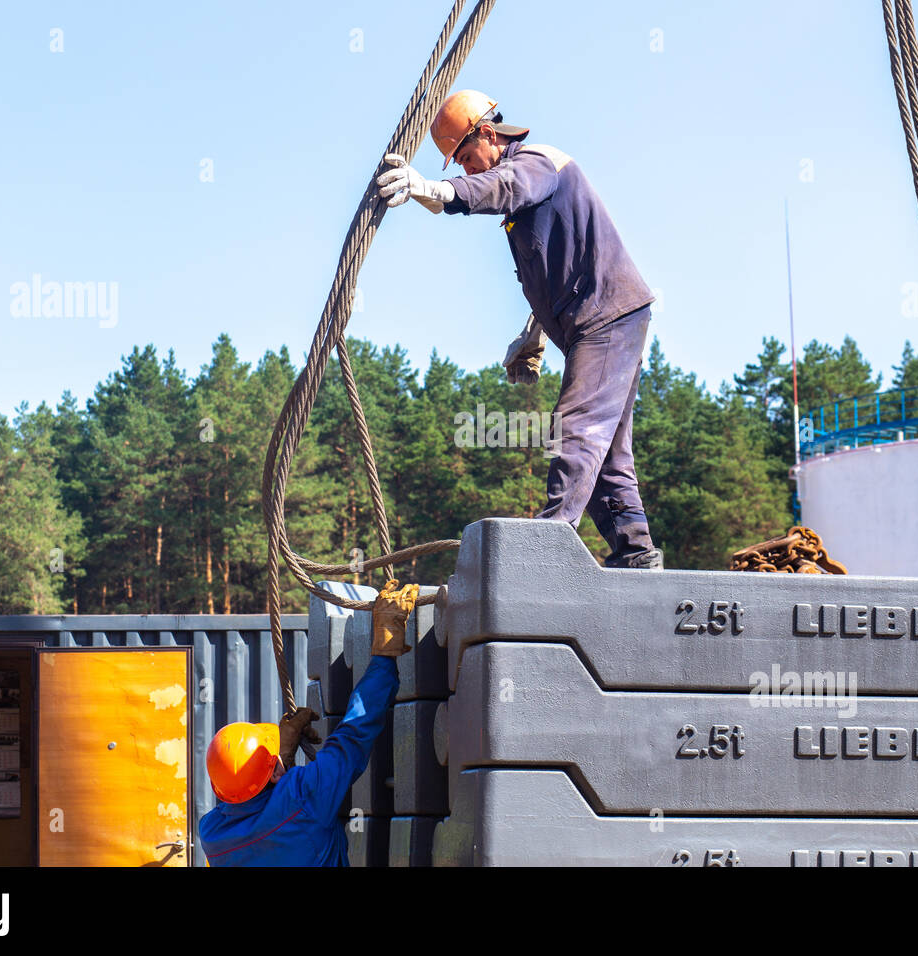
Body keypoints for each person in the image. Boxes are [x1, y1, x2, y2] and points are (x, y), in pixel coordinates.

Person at [376, 89, 663, 569]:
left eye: (466, 157)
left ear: (488, 134)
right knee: (607, 454)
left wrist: (433, 188)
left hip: (607, 316)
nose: (466, 169)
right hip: (597, 320)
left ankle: (547, 550)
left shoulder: (537, 163)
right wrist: (534, 333)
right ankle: (635, 553)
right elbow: (559, 267)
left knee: (576, 431)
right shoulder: (528, 194)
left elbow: (502, 186)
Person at [198, 607, 404, 866]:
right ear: (273, 774)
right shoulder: (305, 795)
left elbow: (270, 820)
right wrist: (385, 653)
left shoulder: (211, 833)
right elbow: (352, 737)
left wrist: (280, 761)